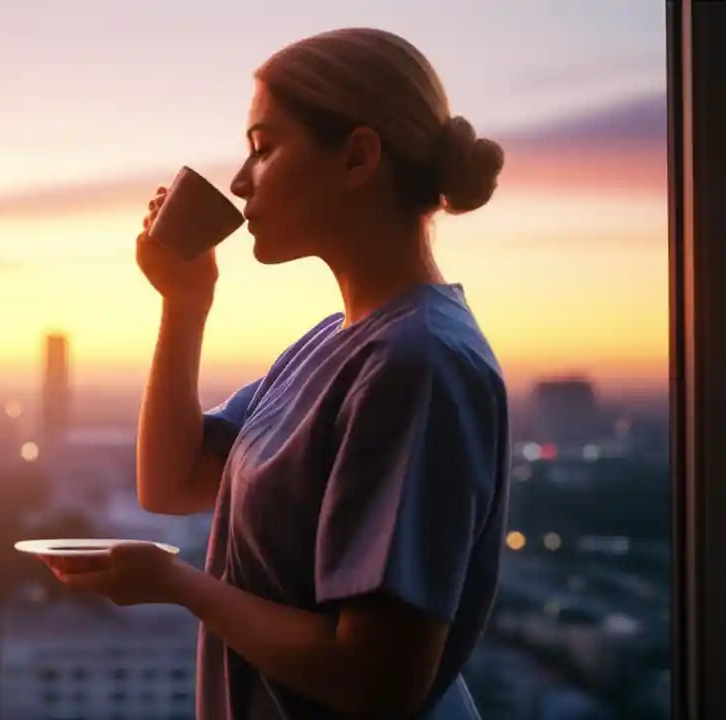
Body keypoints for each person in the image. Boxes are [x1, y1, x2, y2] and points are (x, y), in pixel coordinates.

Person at [44, 27, 510, 719]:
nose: (240, 181)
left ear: (357, 158)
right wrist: (185, 302)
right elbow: (171, 481)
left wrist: (178, 584)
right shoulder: (333, 345)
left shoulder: (416, 364)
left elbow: (378, 680)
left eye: (263, 149)